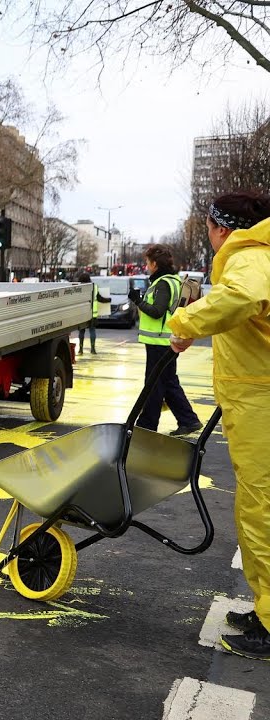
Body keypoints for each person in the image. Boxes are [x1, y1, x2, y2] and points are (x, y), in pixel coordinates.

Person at [168, 192, 270, 661]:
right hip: (253, 401)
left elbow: (244, 298)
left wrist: (186, 319)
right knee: (256, 507)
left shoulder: (248, 257)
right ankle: (265, 609)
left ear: (220, 228)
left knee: (261, 510)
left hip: (261, 404)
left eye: (208, 227)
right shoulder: (256, 256)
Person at [127, 245, 202, 436]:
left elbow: (157, 311)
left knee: (153, 384)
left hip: (158, 343)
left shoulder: (162, 283)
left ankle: (147, 425)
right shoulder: (173, 281)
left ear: (154, 264)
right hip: (167, 341)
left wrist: (138, 300)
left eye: (147, 263)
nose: (146, 266)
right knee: (168, 382)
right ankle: (188, 420)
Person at [76, 272, 112, 354]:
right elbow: (100, 299)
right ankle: (93, 349)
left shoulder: (78, 288)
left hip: (82, 314)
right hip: (92, 314)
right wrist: (108, 300)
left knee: (81, 331)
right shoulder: (94, 287)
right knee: (92, 331)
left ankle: (80, 349)